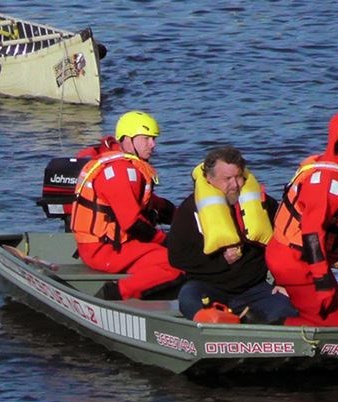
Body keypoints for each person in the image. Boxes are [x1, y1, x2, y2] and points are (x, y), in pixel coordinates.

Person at [266, 111, 338, 327]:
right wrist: (322, 282)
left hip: (302, 257)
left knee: (333, 305)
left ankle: (284, 317)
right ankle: (267, 328)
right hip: (293, 258)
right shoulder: (328, 183)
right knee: (334, 326)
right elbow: (312, 233)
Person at [167, 146, 298, 324]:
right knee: (188, 298)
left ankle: (258, 322)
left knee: (286, 308)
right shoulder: (189, 210)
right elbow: (177, 258)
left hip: (254, 288)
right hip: (207, 287)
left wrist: (283, 282)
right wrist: (221, 262)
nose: (235, 185)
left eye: (238, 177)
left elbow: (287, 244)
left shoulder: (264, 205)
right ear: (209, 178)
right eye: (227, 179)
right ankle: (223, 322)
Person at [70, 110, 181, 300]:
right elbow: (133, 224)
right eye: (146, 139)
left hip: (109, 244)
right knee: (176, 261)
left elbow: (154, 204)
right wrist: (165, 240)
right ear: (128, 140)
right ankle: (113, 294)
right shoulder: (119, 172)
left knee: (175, 249)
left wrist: (184, 218)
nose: (153, 145)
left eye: (153, 139)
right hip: (103, 251)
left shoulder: (121, 164)